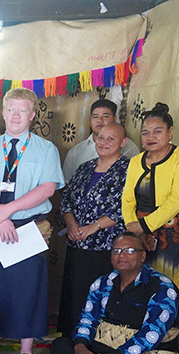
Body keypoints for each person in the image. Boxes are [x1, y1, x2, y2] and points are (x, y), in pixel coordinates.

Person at [0, 88, 64, 354]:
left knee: (28, 289)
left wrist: (9, 212)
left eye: (23, 110)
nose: (16, 115)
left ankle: (26, 350)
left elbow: (47, 188)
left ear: (32, 115)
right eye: (11, 109)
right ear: (3, 112)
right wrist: (1, 218)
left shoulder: (46, 149)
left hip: (29, 227)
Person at [50, 232, 179, 354]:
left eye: (129, 250)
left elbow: (151, 334)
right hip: (104, 345)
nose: (121, 255)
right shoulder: (102, 283)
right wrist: (80, 347)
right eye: (116, 251)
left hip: (145, 353)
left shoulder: (162, 287)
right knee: (60, 346)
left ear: (142, 255)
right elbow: (87, 319)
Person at [57, 123, 129, 336]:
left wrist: (93, 227)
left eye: (110, 139)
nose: (103, 143)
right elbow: (66, 201)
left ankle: (97, 345)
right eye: (100, 137)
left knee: (101, 297)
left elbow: (125, 208)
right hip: (77, 243)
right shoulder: (85, 167)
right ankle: (72, 345)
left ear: (122, 143)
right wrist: (71, 224)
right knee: (76, 294)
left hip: (107, 247)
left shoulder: (128, 169)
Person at [121, 102, 179, 299]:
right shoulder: (136, 161)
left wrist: (144, 226)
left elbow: (178, 199)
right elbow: (127, 199)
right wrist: (133, 229)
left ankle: (167, 328)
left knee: (168, 291)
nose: (150, 137)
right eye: (145, 133)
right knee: (137, 289)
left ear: (170, 132)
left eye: (157, 132)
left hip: (171, 237)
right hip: (137, 234)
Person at [62, 99, 140, 181]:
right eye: (95, 117)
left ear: (115, 119)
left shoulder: (128, 147)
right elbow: (67, 184)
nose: (100, 120)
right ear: (90, 120)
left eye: (105, 116)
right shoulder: (76, 151)